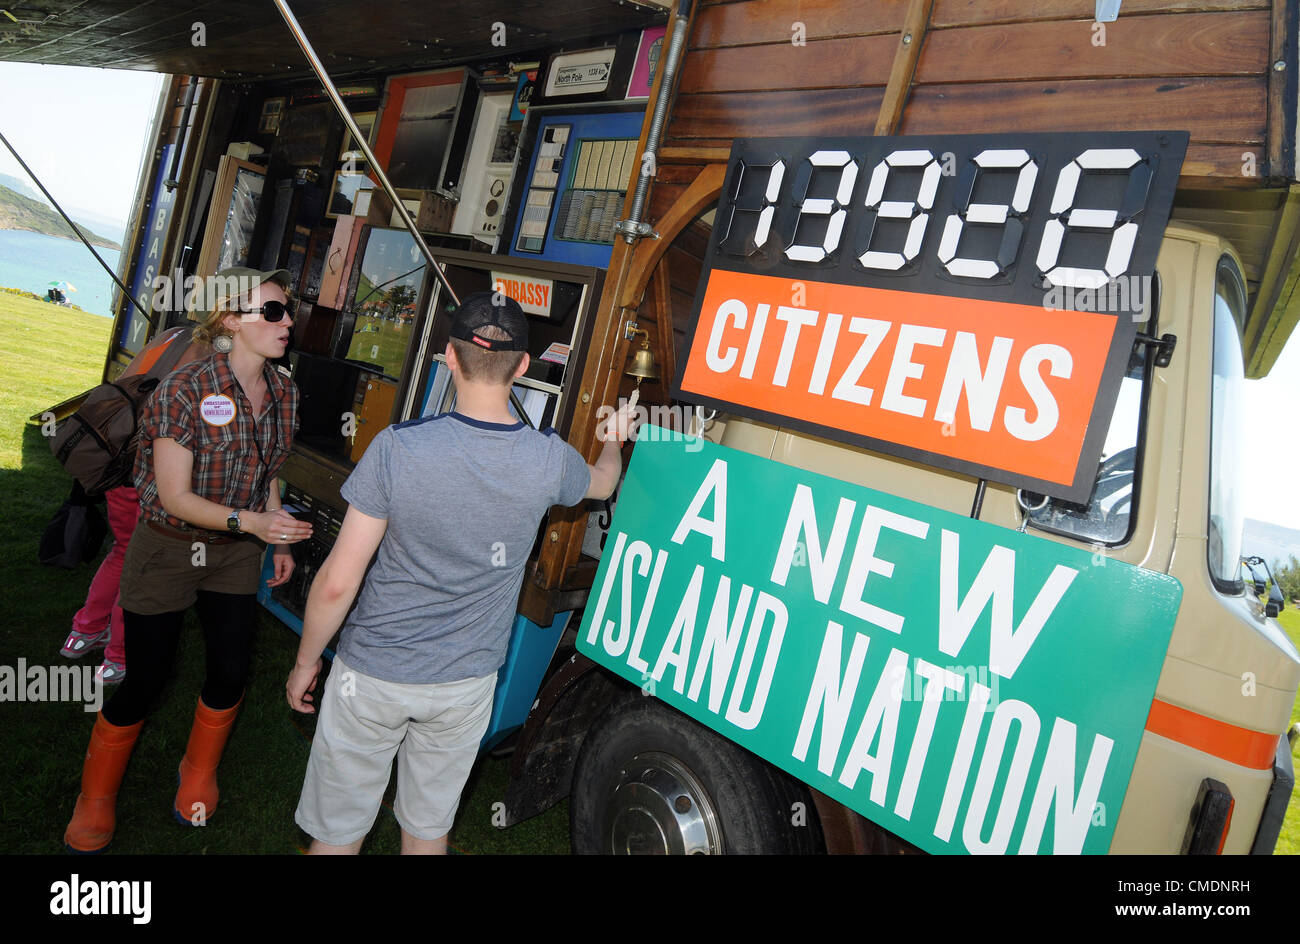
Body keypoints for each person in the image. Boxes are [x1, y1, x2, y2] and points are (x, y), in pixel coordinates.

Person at [286, 291, 629, 854]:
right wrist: (612, 440)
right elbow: (604, 482)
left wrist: (306, 662)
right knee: (427, 831)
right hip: (463, 685)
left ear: (449, 355)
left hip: (371, 674)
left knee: (338, 833)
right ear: (522, 365)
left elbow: (338, 582)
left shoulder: (397, 448)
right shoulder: (549, 458)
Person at [63, 267, 313, 853]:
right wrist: (254, 524)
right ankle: (95, 797)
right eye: (271, 312)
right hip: (168, 545)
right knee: (146, 678)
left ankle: (198, 772)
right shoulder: (184, 389)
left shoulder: (285, 393)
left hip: (235, 554)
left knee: (230, 670)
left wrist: (274, 537)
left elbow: (266, 472)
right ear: (230, 320)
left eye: (288, 311)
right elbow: (174, 497)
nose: (287, 323)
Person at [60, 324, 213, 684]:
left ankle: (84, 632)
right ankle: (119, 656)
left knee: (123, 551)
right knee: (144, 563)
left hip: (118, 461)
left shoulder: (173, 333)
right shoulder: (210, 352)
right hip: (150, 471)